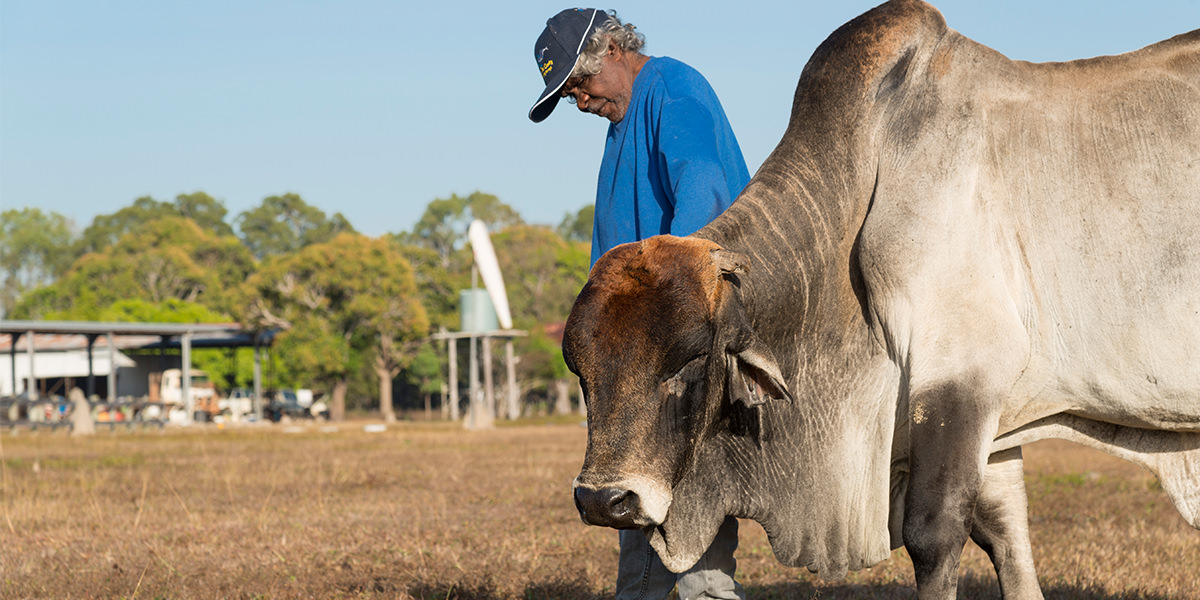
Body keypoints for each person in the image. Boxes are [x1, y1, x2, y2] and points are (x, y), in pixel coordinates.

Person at [529, 9, 749, 600]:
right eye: (569, 95)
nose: (579, 101)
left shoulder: (671, 87)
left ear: (613, 50)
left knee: (692, 523)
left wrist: (664, 310)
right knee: (634, 499)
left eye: (579, 84)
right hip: (642, 357)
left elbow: (703, 184)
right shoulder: (623, 119)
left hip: (678, 350)